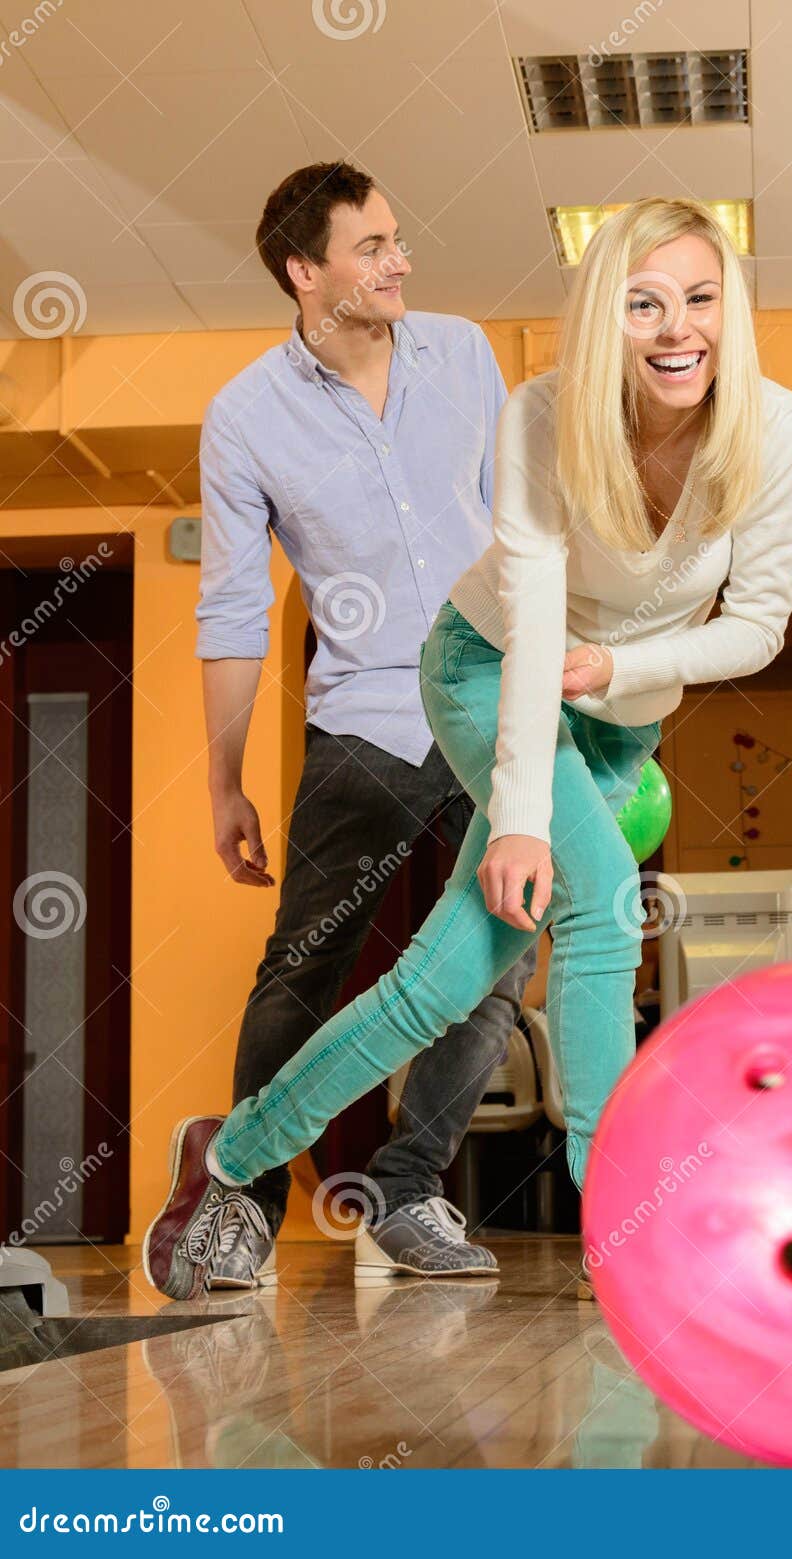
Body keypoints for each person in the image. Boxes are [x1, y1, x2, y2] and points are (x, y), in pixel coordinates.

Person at [143, 195, 792, 1301]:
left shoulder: (774, 428)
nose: (675, 328)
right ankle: (627, 1226)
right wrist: (516, 815)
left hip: (612, 701)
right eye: (642, 303)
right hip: (488, 663)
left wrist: (616, 674)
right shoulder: (545, 414)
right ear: (606, 315)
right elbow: (536, 606)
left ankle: (234, 1149)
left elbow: (756, 627)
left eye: (699, 298)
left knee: (444, 981)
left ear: (731, 310)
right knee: (595, 909)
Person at [188, 160, 538, 1289]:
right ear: (305, 270)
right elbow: (236, 605)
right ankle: (240, 1195)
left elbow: (521, 528)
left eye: (398, 238)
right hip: (365, 720)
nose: (401, 260)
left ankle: (406, 1187)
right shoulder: (244, 417)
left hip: (491, 702)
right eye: (372, 245)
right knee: (304, 964)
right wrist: (224, 779)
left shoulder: (464, 352)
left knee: (496, 953)